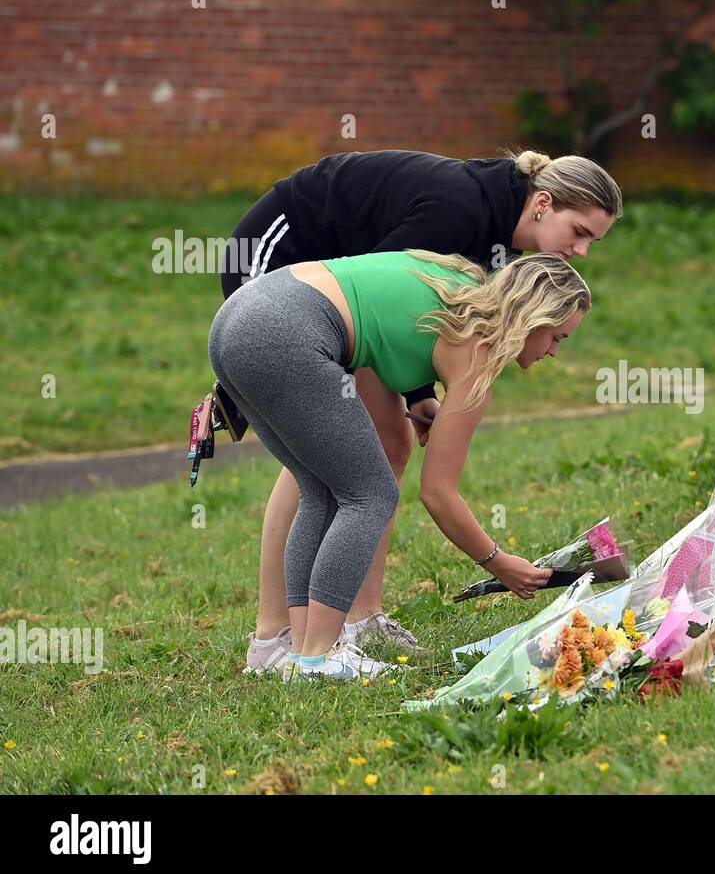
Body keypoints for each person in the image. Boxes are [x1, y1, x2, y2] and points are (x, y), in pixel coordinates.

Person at [218, 148, 620, 672]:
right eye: (557, 338)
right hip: (277, 282)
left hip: (247, 320)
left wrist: (414, 393)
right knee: (367, 491)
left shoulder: (470, 275)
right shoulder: (460, 219)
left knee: (328, 483)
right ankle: (314, 652)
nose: (554, 353)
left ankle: (288, 646)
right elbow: (438, 492)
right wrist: (499, 564)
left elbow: (391, 308)